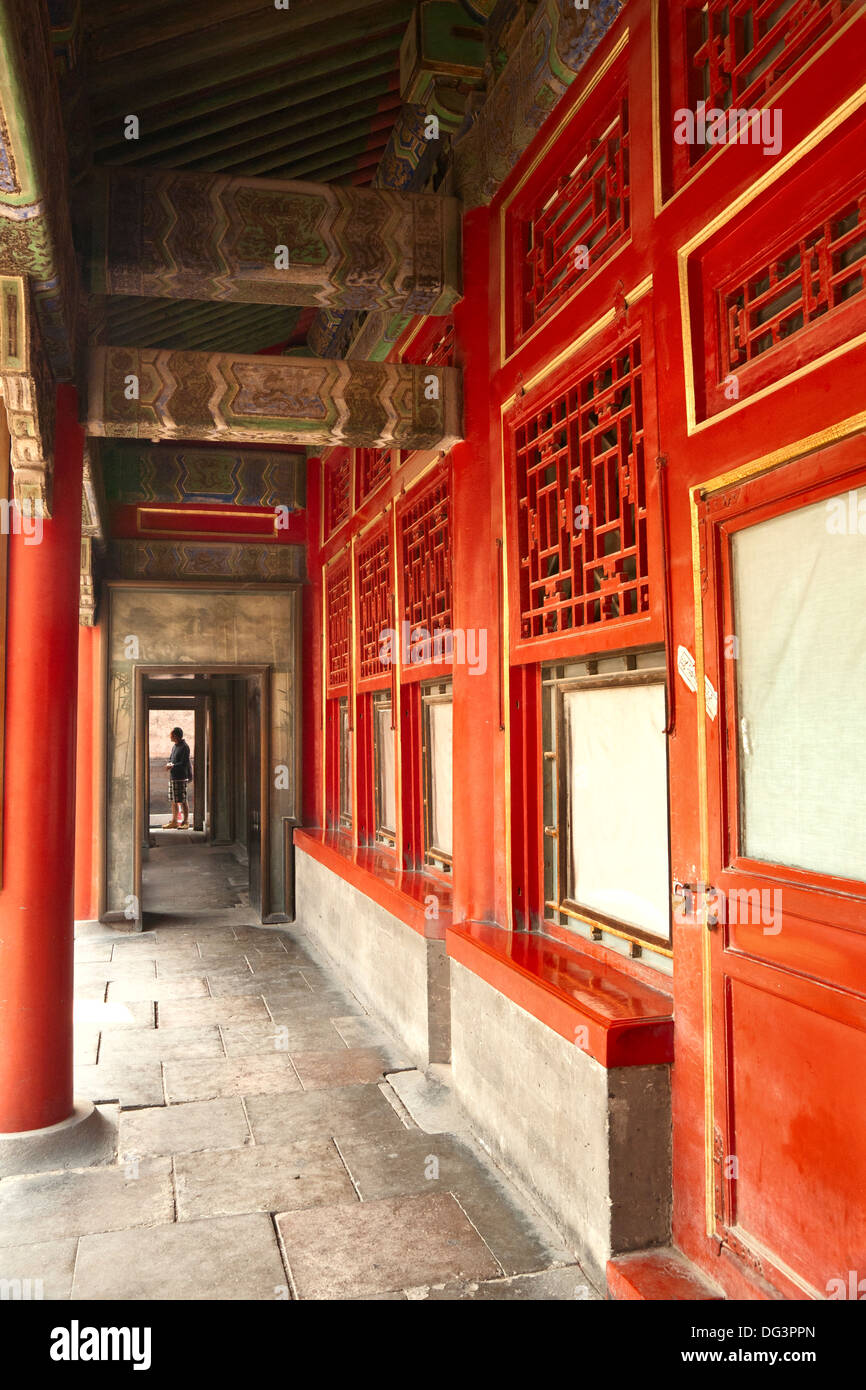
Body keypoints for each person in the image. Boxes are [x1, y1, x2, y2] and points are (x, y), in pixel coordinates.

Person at [164, 727, 193, 829]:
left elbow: (184, 763)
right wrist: (169, 763)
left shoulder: (185, 747)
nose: (170, 737)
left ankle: (185, 822)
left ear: (176, 736)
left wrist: (173, 766)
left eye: (171, 735)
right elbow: (171, 758)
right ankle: (174, 821)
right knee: (174, 800)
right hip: (173, 776)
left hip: (181, 777)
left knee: (183, 799)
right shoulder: (175, 746)